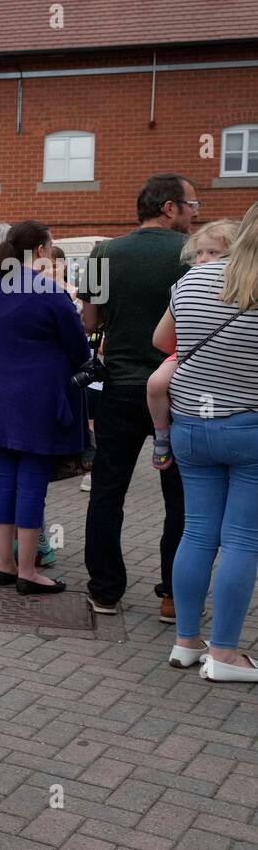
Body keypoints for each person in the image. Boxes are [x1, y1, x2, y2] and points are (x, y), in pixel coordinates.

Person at [81, 173, 196, 620]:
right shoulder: (192, 255)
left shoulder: (102, 252)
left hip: (120, 387)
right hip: (178, 388)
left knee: (108, 490)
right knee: (181, 496)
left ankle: (105, 590)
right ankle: (173, 595)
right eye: (191, 205)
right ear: (168, 207)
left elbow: (90, 319)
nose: (193, 213)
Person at [153, 204, 258, 681]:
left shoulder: (192, 280)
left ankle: (186, 642)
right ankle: (225, 653)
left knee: (196, 532)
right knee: (241, 538)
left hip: (190, 421)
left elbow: (163, 339)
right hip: (248, 424)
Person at [0, 222, 89, 593]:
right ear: (41, 249)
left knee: (6, 476)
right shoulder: (49, 291)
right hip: (39, 397)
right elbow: (79, 350)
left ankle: (5, 565)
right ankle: (27, 570)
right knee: (32, 482)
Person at [146, 220, 238, 470]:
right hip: (186, 351)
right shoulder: (188, 282)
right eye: (199, 253)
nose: (203, 259)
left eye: (213, 252)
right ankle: (161, 434)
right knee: (155, 383)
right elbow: (163, 340)